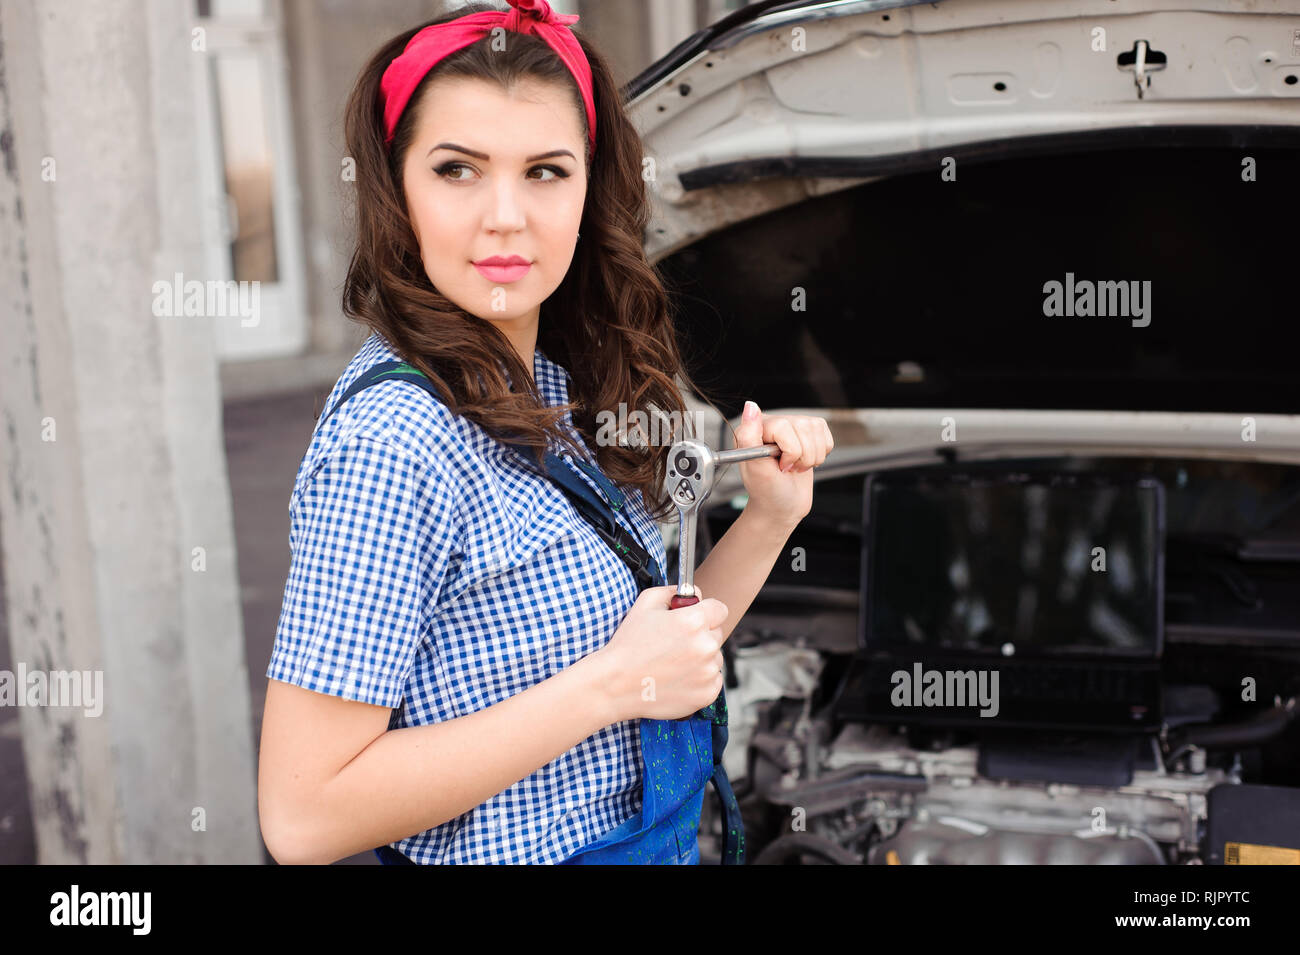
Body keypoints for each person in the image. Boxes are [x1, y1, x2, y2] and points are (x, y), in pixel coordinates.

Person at [256, 0, 833, 865]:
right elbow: (304, 816)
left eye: (545, 172)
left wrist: (768, 519)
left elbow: (660, 651)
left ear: (588, 188)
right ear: (396, 186)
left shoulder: (561, 379)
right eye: (457, 169)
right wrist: (609, 686)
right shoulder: (394, 442)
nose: (505, 216)